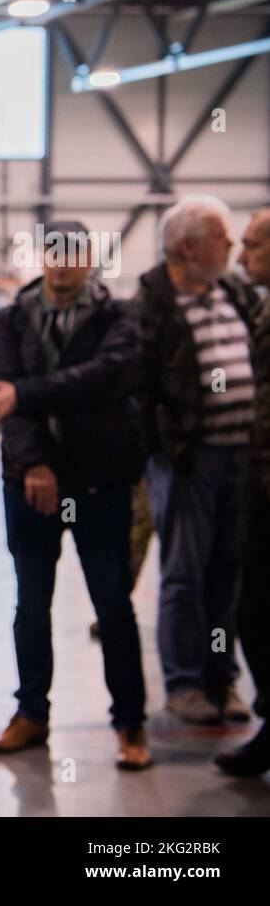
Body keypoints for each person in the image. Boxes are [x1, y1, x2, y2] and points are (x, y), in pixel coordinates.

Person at [0, 220, 152, 770]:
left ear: (90, 259)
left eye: (74, 254)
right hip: (31, 485)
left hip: (99, 480)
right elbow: (4, 404)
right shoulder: (12, 320)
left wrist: (29, 393)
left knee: (113, 603)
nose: (62, 264)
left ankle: (131, 724)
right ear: (41, 257)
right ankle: (31, 714)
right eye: (53, 254)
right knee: (31, 603)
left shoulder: (118, 316)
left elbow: (109, 380)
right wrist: (34, 463)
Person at [135, 196, 261, 725]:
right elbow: (137, 393)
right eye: (221, 236)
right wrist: (166, 449)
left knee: (228, 573)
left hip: (242, 460)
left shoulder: (232, 291)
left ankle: (222, 677)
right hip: (189, 463)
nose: (232, 245)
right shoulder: (152, 307)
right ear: (187, 247)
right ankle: (185, 682)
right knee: (185, 574)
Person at [218, 205, 270, 775]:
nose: (242, 256)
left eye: (253, 245)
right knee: (250, 607)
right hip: (256, 479)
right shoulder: (257, 302)